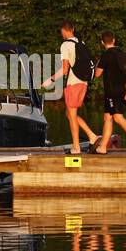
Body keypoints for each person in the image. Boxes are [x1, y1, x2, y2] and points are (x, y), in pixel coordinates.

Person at [43, 20, 100, 154]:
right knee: (69, 114)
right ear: (73, 29)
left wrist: (50, 79)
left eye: (61, 32)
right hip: (84, 82)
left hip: (73, 83)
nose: (61, 34)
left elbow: (64, 69)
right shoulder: (81, 43)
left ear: (64, 30)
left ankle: (76, 147)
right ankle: (92, 136)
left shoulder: (65, 45)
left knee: (72, 114)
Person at [92, 31, 126, 154]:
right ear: (114, 40)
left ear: (102, 42)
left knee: (118, 118)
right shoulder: (123, 54)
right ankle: (102, 148)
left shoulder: (105, 55)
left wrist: (97, 62)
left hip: (112, 92)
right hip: (120, 90)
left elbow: (97, 74)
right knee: (107, 117)